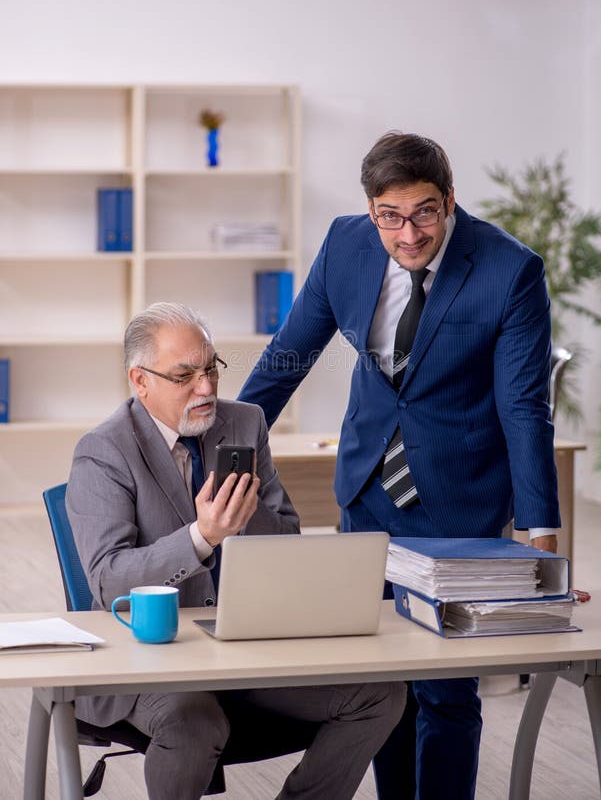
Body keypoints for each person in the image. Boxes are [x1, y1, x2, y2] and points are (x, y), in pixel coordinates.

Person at [239, 132, 562, 800]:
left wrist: (539, 537)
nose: (407, 232)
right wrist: (228, 450)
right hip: (367, 490)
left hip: (461, 502)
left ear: (448, 201)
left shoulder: (508, 270)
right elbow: (289, 355)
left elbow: (524, 407)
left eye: (423, 212)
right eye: (390, 214)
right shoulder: (345, 244)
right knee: (381, 684)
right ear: (369, 209)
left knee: (445, 690)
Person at [66, 301, 405, 800]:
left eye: (211, 369)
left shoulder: (244, 424)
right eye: (185, 376)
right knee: (193, 721)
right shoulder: (104, 451)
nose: (205, 388)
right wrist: (203, 536)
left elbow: (287, 541)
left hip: (245, 647)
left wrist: (242, 516)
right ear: (140, 382)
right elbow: (110, 580)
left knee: (381, 694)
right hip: (149, 662)